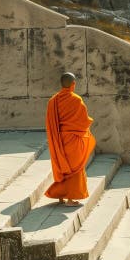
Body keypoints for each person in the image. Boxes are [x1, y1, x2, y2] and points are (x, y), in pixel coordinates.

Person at [44, 72, 96, 206]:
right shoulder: (76, 100)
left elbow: (50, 122)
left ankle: (60, 195)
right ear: (73, 84)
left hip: (59, 139)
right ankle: (71, 199)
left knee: (63, 165)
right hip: (73, 139)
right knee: (75, 169)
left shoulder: (53, 101)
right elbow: (84, 120)